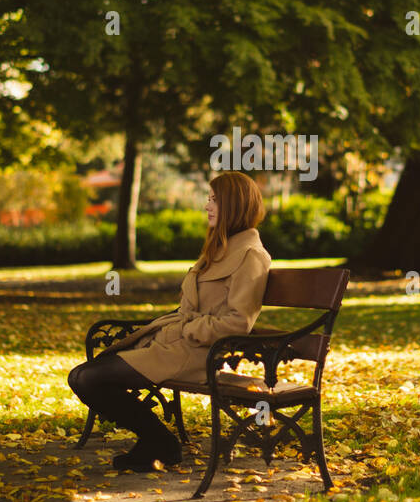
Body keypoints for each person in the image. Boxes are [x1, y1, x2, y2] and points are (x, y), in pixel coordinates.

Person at [68, 171, 272, 472]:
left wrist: (189, 328)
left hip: (202, 353)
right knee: (81, 376)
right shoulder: (218, 250)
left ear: (235, 205)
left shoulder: (251, 255)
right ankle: (157, 441)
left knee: (88, 378)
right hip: (176, 345)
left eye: (214, 200)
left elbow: (239, 322)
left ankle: (159, 442)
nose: (207, 206)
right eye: (208, 199)